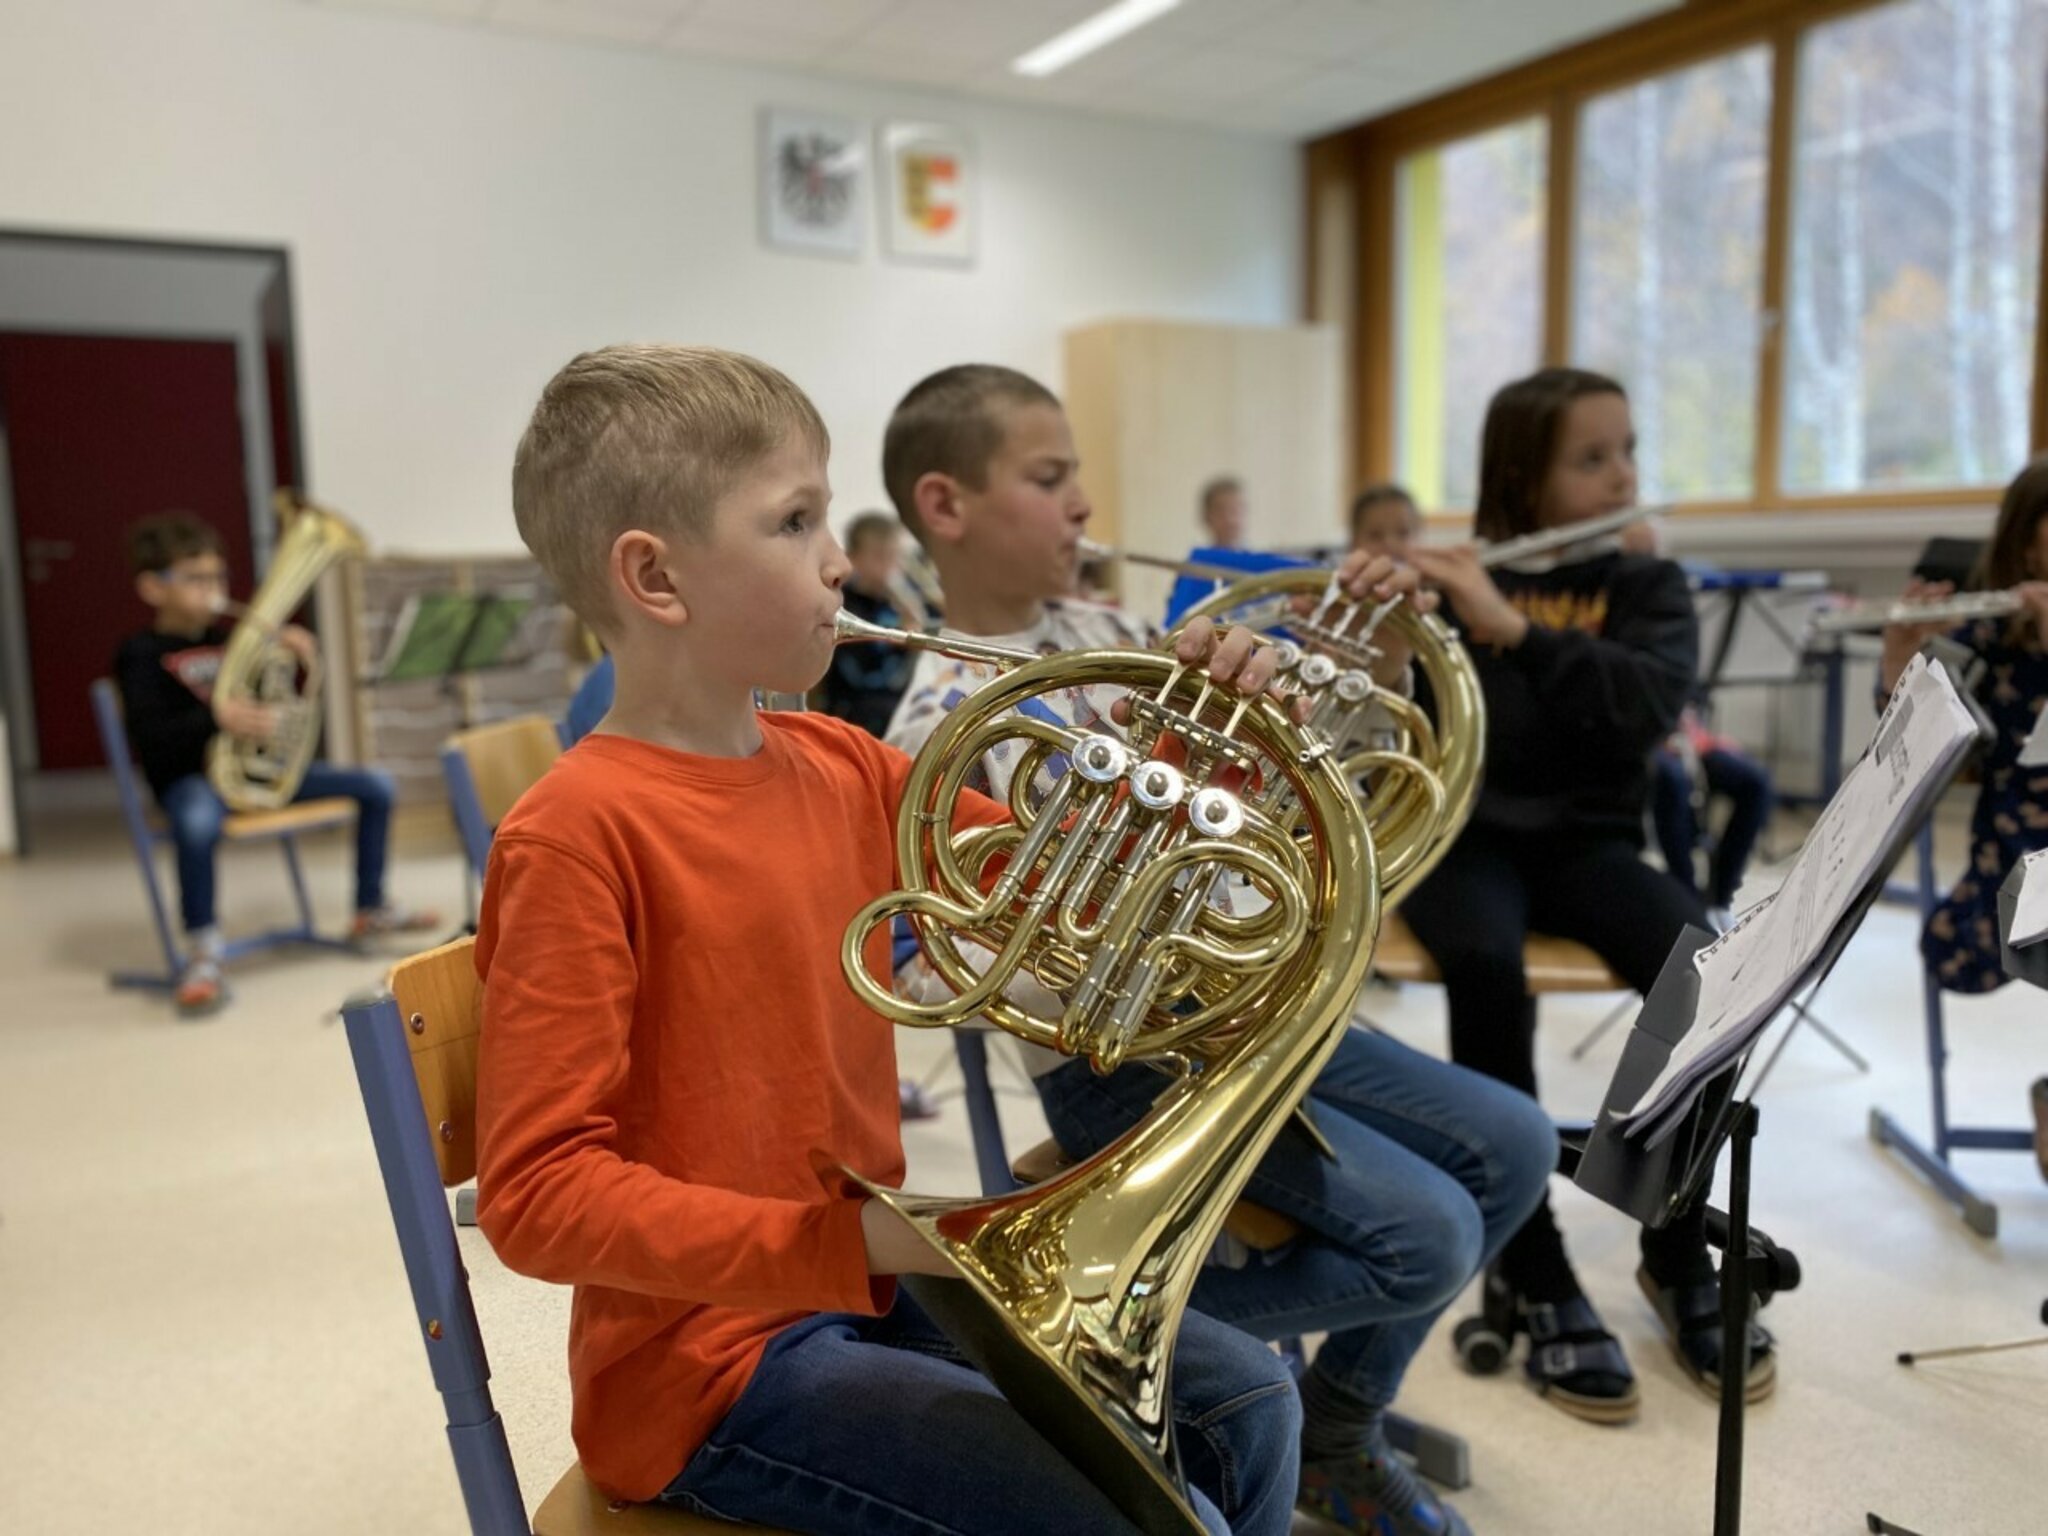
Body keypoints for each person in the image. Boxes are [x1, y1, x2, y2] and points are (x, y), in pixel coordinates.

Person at [475, 343, 1306, 1536]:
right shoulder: (574, 834)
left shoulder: (844, 764)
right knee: (1139, 1517)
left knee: (1250, 1405)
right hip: (704, 1373)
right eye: (796, 520)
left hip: (860, 1283)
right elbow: (537, 1197)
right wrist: (852, 1238)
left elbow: (1070, 898)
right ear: (657, 579)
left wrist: (1197, 755)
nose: (839, 560)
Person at [882, 363, 1555, 1536]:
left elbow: (1275, 810)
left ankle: (1326, 1429)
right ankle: (1113, 1369)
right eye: (1050, 479)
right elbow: (930, 965)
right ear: (944, 507)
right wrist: (1105, 906)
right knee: (1429, 1233)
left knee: (1517, 1139)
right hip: (1127, 1072)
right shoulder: (937, 722)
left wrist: (1355, 676)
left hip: (1259, 1012)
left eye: (1078, 474)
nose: (1085, 505)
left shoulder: (1108, 630)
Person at [1397, 367, 1776, 1422]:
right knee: (1479, 961)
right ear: (1524, 474)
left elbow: (1643, 708)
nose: (1623, 477)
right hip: (1464, 841)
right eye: (1591, 457)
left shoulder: (1643, 588)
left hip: (1589, 843)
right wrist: (1398, 630)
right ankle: (1529, 1254)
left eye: (1627, 451)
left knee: (1707, 966)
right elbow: (1430, 732)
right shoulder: (1456, 581)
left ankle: (1667, 1234)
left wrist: (1515, 633)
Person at [112, 512, 435, 1016]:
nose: (212, 589)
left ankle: (369, 908)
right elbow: (151, 738)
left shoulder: (232, 641)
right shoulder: (140, 654)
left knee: (376, 785)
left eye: (216, 576)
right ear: (153, 588)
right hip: (190, 780)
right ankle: (203, 948)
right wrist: (216, 719)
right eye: (194, 578)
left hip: (260, 775)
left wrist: (296, 661)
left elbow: (279, 713)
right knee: (195, 823)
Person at [1881, 456, 2048, 996]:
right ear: (2027, 545)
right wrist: (1899, 668)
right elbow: (1906, 760)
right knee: (1955, 952)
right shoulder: (1991, 638)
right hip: (2019, 868)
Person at [1649, 707, 1774, 930]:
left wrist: (1701, 734)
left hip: (1693, 739)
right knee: (1673, 780)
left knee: (1757, 783)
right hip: (1651, 738)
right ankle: (1687, 896)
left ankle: (1721, 896)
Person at [819, 511, 915, 736]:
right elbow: (856, 673)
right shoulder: (843, 605)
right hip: (855, 708)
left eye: (894, 557)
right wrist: (897, 642)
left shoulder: (894, 604)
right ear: (853, 558)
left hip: (894, 702)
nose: (890, 567)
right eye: (880, 557)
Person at [1350, 484, 1421, 563]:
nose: (1391, 545)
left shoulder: (1428, 573)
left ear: (1418, 536)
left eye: (1402, 533)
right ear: (1355, 542)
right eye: (1376, 535)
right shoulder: (1343, 573)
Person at [1199, 475, 1249, 550]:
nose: (1229, 519)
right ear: (1206, 517)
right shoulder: (1195, 561)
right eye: (1221, 512)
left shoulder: (1261, 560)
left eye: (1235, 510)